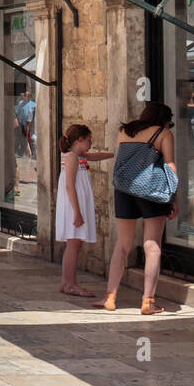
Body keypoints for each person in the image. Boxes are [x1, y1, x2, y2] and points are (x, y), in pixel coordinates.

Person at [97, 103, 177, 314]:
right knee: (152, 245)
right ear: (165, 120)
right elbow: (170, 165)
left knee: (122, 245)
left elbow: (123, 158)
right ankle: (147, 302)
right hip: (151, 192)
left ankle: (110, 297)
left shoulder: (125, 131)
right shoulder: (163, 133)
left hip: (124, 190)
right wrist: (173, 197)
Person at [55, 124, 113, 298]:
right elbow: (69, 185)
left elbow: (95, 156)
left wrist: (114, 154)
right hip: (74, 205)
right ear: (79, 140)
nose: (91, 143)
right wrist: (77, 212)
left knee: (73, 244)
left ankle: (66, 282)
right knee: (74, 244)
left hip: (75, 204)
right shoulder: (72, 158)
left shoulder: (77, 155)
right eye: (89, 140)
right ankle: (71, 284)